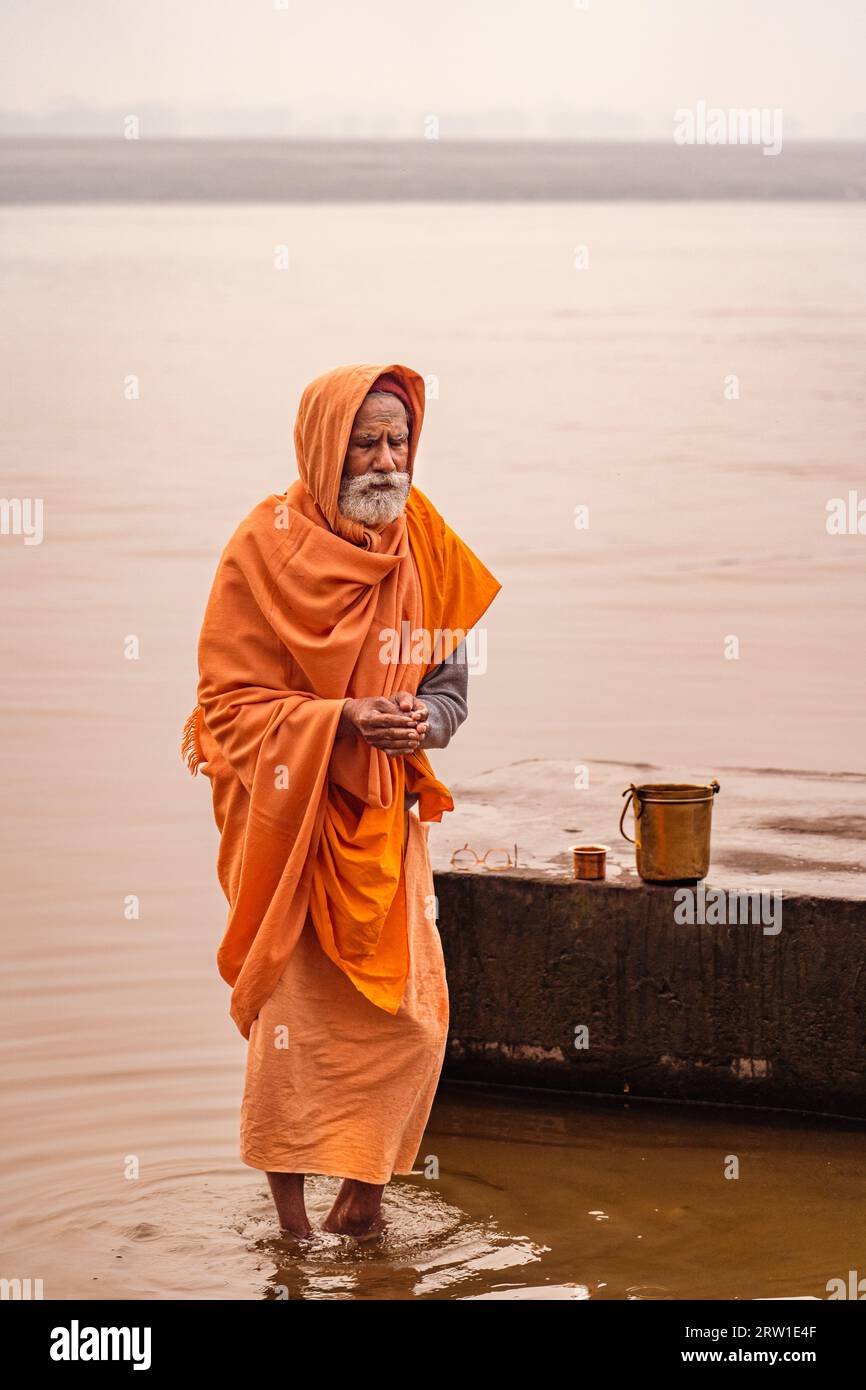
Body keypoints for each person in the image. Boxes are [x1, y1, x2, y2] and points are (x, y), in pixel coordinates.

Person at [180, 362, 501, 1239]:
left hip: (380, 819)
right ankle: (288, 1228)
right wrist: (341, 718)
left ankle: (363, 1197)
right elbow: (228, 707)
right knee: (290, 1027)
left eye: (399, 441)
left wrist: (416, 725)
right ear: (326, 445)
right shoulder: (263, 546)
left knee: (414, 1022)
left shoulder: (426, 542)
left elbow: (450, 695)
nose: (386, 460)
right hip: (288, 824)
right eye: (367, 441)